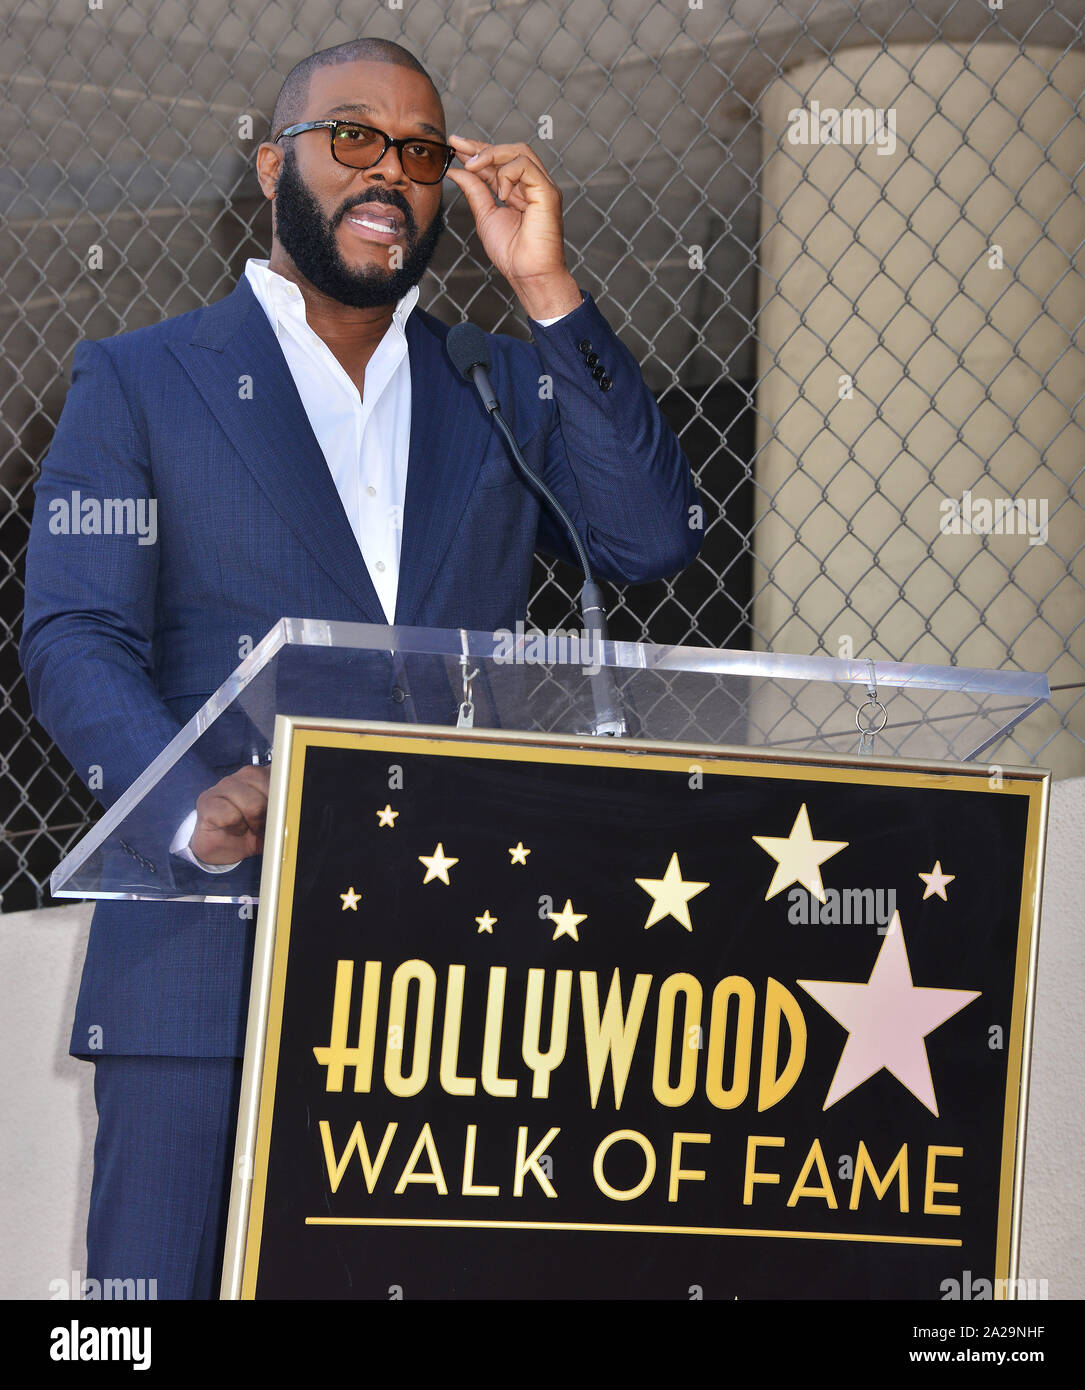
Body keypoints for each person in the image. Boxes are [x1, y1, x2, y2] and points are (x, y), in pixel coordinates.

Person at [19, 37, 703, 1299]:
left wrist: (545, 290)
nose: (390, 170)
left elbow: (648, 538)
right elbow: (73, 633)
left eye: (423, 151)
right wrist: (187, 802)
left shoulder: (496, 383)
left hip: (447, 976)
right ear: (274, 164)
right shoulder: (139, 379)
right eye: (354, 138)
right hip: (202, 966)